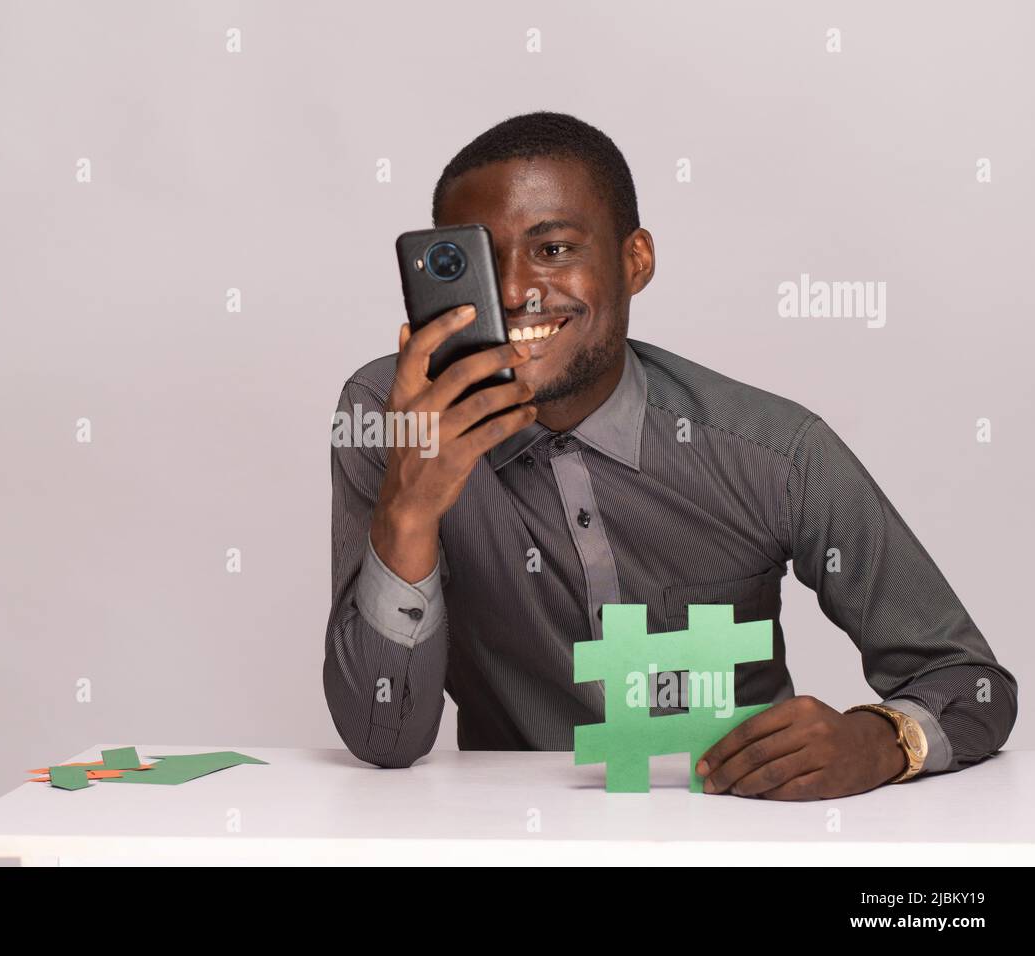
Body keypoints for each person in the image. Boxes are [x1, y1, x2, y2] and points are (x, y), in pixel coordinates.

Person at [322, 111, 1017, 799]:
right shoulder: (393, 419)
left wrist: (883, 740)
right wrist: (408, 507)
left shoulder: (773, 451)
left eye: (554, 249)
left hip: (742, 829)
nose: (513, 291)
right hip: (516, 838)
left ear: (635, 261)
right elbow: (385, 737)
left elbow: (972, 684)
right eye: (477, 259)